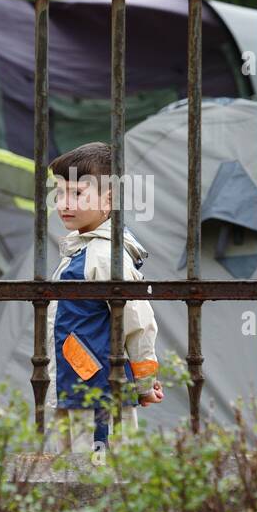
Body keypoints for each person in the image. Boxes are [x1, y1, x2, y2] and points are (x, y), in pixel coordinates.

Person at [45, 142, 162, 461]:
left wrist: (145, 380)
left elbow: (137, 321)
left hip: (97, 390)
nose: (64, 204)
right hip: (75, 384)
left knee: (100, 473)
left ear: (109, 200)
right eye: (59, 194)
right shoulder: (81, 250)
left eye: (77, 194)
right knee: (68, 472)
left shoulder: (103, 255)